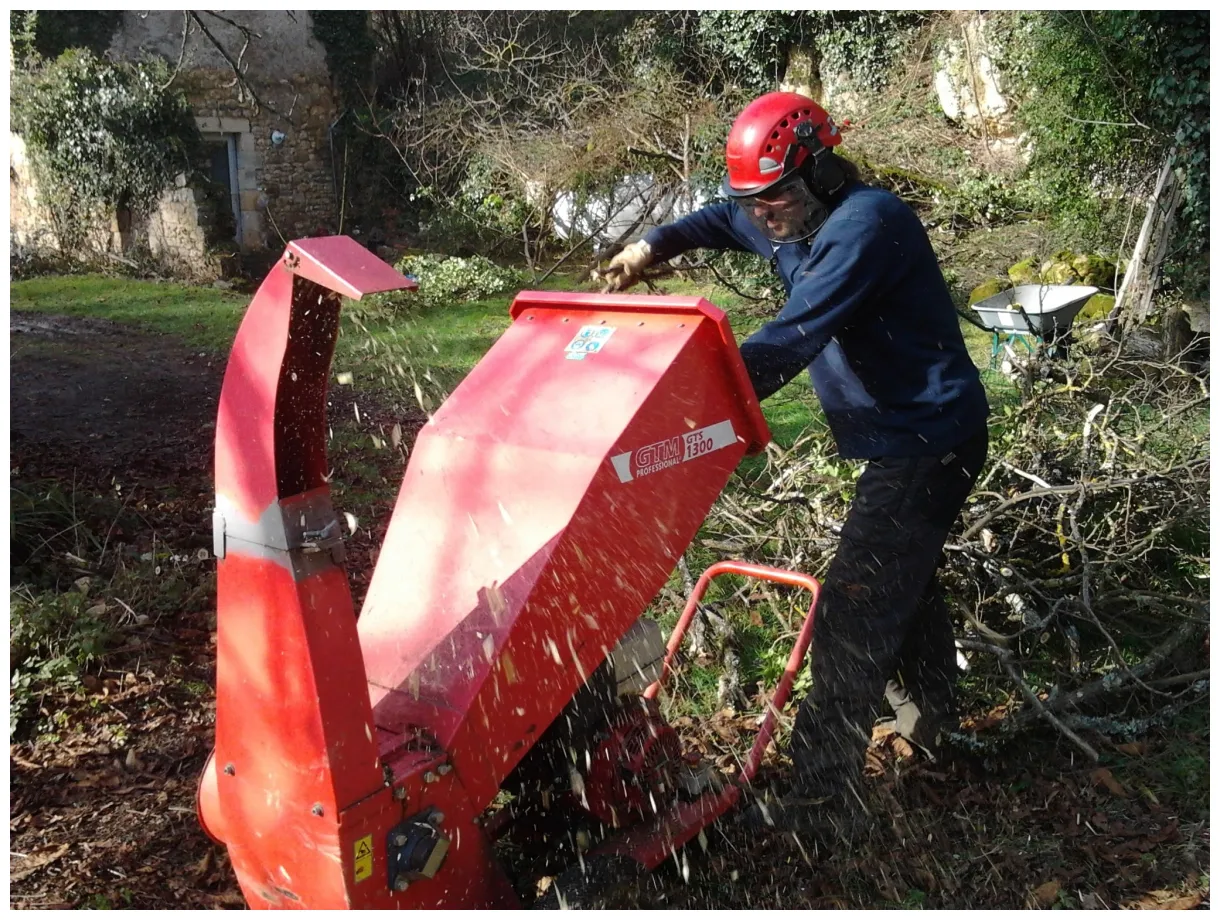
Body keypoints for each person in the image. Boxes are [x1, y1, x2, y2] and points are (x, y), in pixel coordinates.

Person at [601, 92, 990, 844]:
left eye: (772, 196)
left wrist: (678, 406)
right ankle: (937, 726)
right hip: (902, 437)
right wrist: (655, 245)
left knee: (851, 611)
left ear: (819, 168)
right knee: (901, 584)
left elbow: (789, 338)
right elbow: (718, 218)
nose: (760, 215)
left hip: (928, 440)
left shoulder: (864, 227)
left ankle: (818, 804)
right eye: (753, 199)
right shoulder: (784, 210)